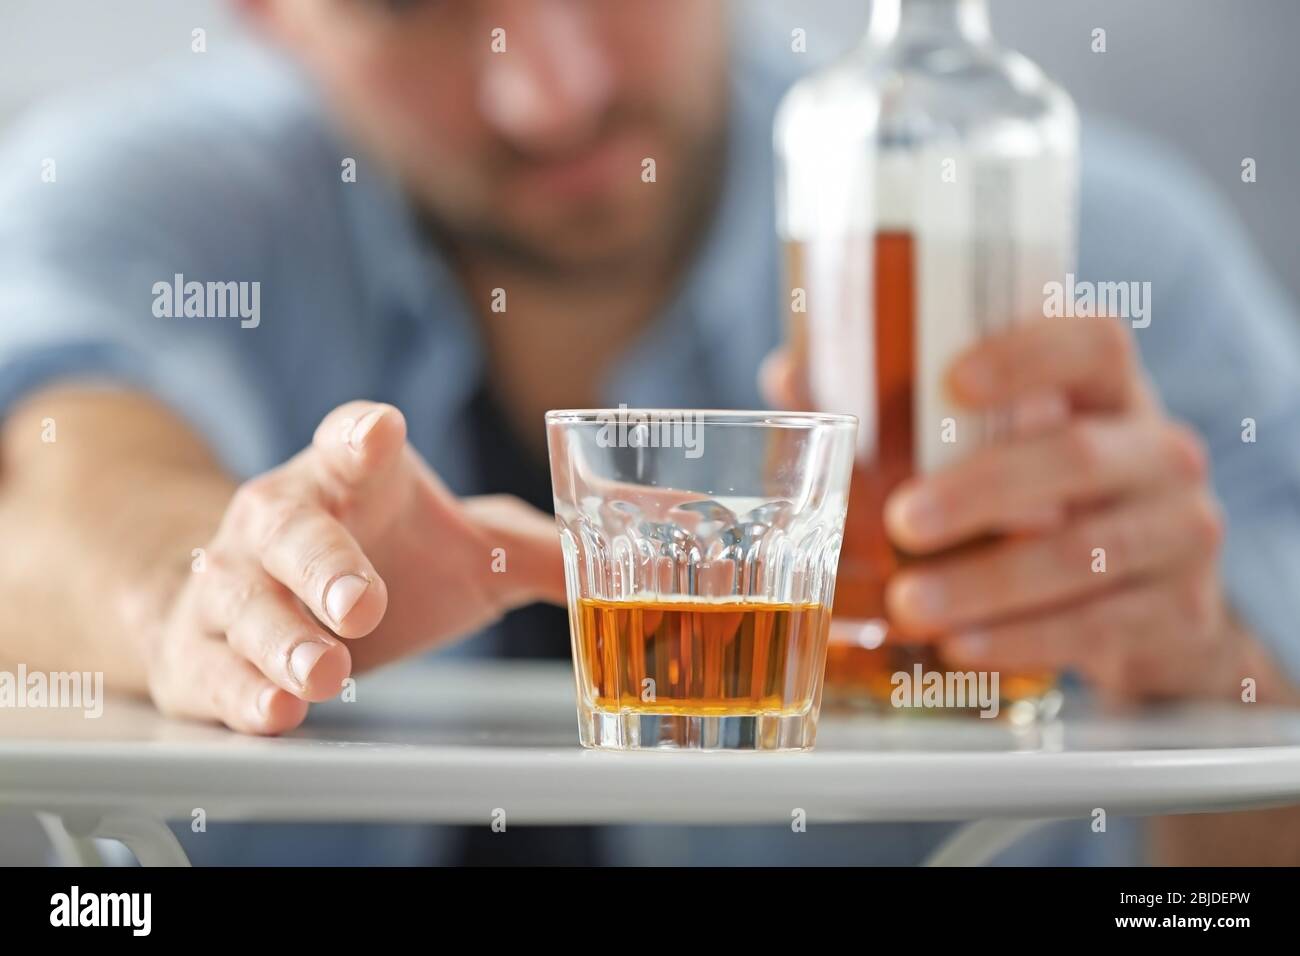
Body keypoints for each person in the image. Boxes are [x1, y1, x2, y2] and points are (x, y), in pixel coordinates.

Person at [1, 0, 1297, 865]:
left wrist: (1203, 678)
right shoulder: (157, 206)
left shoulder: (1080, 252)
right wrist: (205, 587)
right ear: (265, 16)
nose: (550, 95)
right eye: (413, 5)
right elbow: (48, 477)